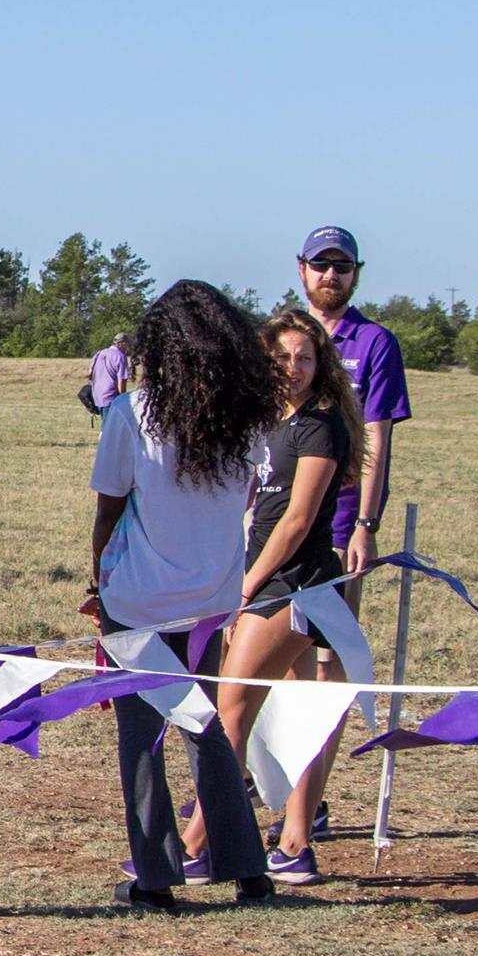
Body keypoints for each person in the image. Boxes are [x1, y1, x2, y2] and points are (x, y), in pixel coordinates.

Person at [87, 280, 277, 912]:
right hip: (211, 600)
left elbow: (109, 510)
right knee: (205, 727)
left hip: (139, 603)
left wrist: (99, 580)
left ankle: (156, 878)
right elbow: (243, 501)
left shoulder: (131, 414)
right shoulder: (245, 420)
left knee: (142, 738)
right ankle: (248, 869)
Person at [173, 309, 360, 887]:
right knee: (301, 713)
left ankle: (196, 846)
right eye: (282, 357)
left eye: (305, 357)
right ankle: (296, 844)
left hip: (294, 582)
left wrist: (247, 585)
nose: (293, 367)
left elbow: (298, 520)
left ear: (321, 365)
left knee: (229, 710)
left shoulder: (319, 426)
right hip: (271, 578)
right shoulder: (269, 422)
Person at [290, 225, 411, 847]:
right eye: (321, 264)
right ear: (302, 269)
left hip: (337, 530)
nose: (330, 276)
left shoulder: (375, 343)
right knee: (271, 666)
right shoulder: (284, 339)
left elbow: (376, 441)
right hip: (274, 526)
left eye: (342, 266)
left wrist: (365, 524)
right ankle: (274, 782)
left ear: (356, 274)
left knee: (326, 665)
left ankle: (309, 803)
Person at [88, 332, 131, 410]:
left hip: (97, 397)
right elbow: (121, 383)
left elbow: (90, 373)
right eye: (127, 344)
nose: (127, 347)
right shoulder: (120, 356)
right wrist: (124, 401)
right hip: (111, 398)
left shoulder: (99, 353)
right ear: (122, 343)